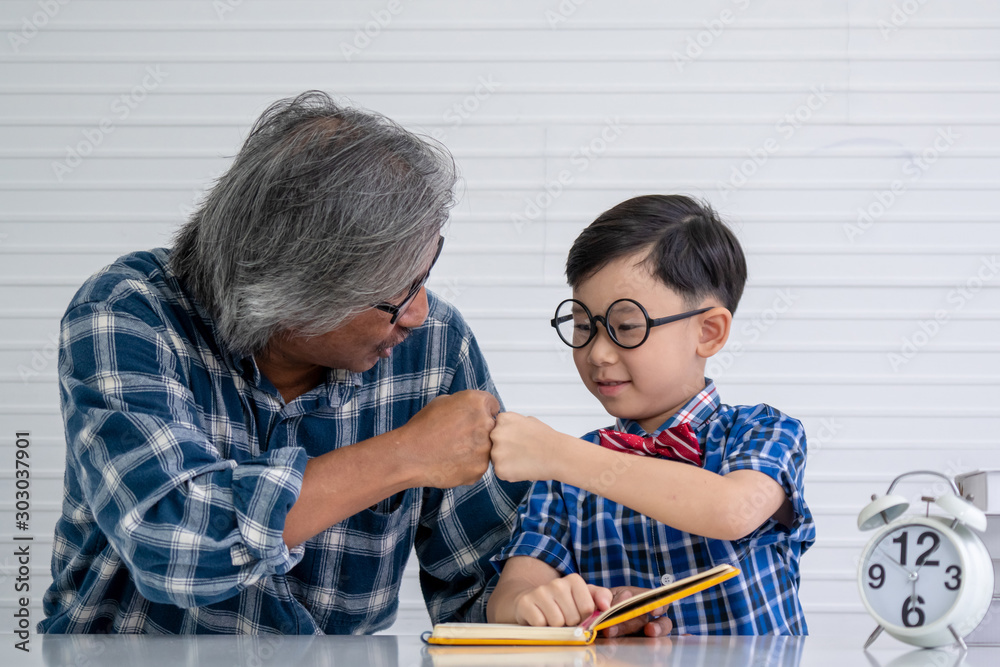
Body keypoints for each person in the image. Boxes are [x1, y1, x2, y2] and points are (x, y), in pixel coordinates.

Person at [40, 91, 530, 634]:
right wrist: (405, 454)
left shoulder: (437, 345)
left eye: (425, 273)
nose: (418, 313)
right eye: (398, 291)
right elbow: (172, 542)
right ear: (294, 294)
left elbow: (483, 576)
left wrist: (549, 598)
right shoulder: (127, 313)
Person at [486, 194, 815, 635]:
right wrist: (537, 604)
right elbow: (511, 594)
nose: (598, 353)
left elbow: (731, 510)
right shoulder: (561, 479)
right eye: (584, 327)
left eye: (626, 327)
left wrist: (558, 455)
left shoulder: (765, 430)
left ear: (708, 332)